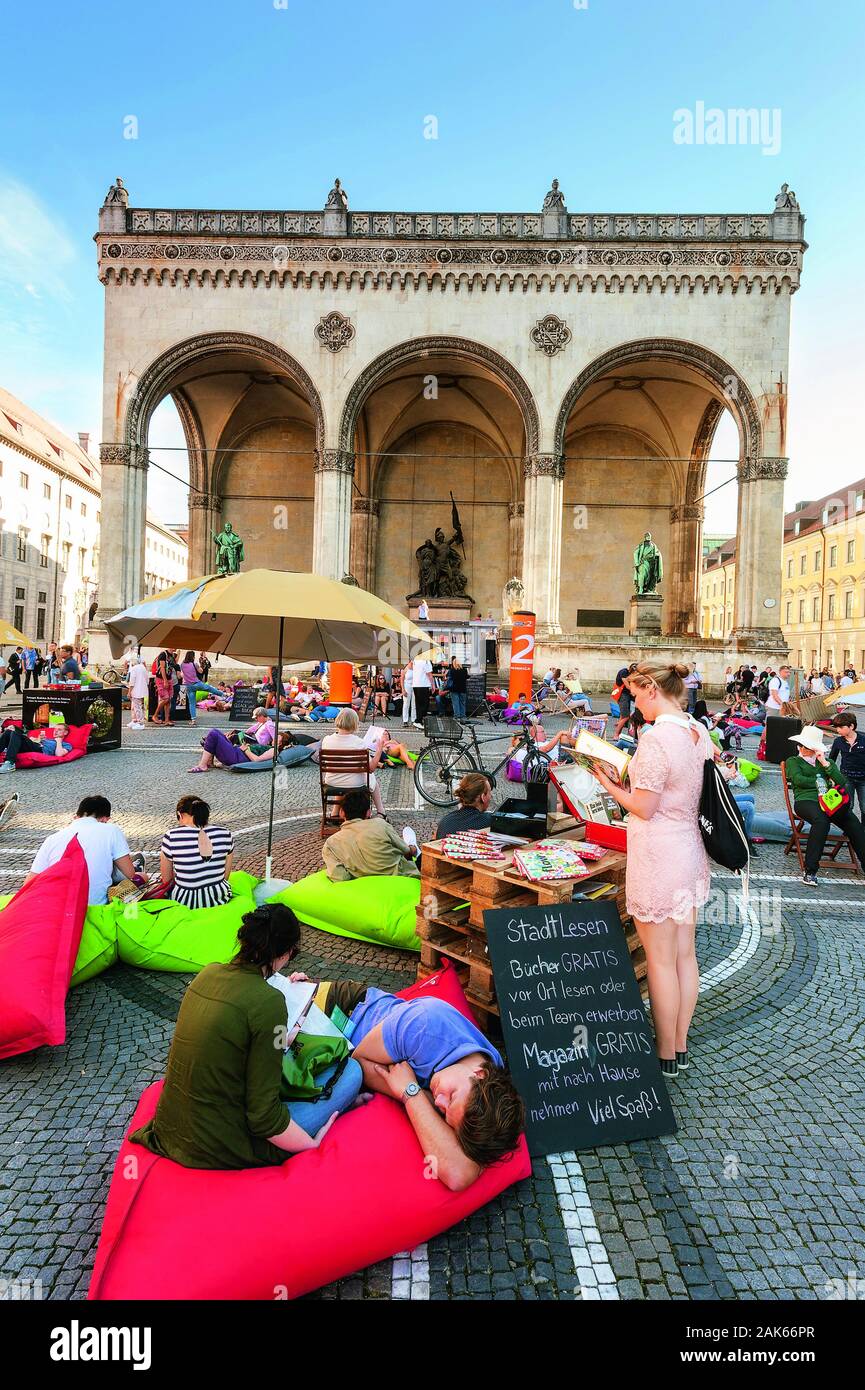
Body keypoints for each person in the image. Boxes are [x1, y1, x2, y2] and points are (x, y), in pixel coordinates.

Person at [131, 904, 363, 1168]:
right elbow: (264, 1117)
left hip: (173, 1126)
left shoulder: (207, 974)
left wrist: (281, 1037)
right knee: (352, 1072)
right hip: (223, 1142)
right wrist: (312, 1146)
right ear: (286, 953)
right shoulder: (270, 1003)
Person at [590, 661, 712, 1078]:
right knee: (684, 955)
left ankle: (664, 1053)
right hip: (689, 852)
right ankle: (679, 1043)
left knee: (659, 961)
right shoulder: (698, 731)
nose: (634, 703)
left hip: (660, 855)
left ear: (653, 690)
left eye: (638, 695)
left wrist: (607, 783)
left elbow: (643, 806)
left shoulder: (658, 738)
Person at [317, 974, 525, 1190]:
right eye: (451, 1095)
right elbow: (358, 1062)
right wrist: (411, 1091)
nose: (438, 1101)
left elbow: (458, 1174)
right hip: (340, 1010)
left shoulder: (489, 1077)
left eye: (444, 1114)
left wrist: (413, 1095)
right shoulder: (423, 1027)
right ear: (479, 1074)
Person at [785, 725, 865, 885]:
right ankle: (810, 870)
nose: (802, 749)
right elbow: (798, 780)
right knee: (821, 821)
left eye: (807, 747)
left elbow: (842, 782)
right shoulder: (793, 761)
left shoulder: (825, 761)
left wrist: (824, 763)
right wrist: (822, 780)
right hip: (806, 801)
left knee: (852, 821)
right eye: (802, 746)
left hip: (830, 802)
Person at [24, 794, 135, 905]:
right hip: (96, 906)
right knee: (141, 877)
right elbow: (130, 873)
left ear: (76, 816)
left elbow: (29, 884)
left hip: (58, 908)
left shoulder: (52, 839)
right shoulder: (111, 830)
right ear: (105, 819)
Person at [322, 788, 420, 882]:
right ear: (368, 813)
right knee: (410, 850)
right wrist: (411, 849)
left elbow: (340, 876)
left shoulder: (331, 843)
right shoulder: (380, 824)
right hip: (400, 878)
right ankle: (414, 846)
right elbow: (405, 850)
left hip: (364, 892)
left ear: (341, 812)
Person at [160, 795, 234, 908]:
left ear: (180, 815)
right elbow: (225, 876)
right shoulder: (225, 834)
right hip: (219, 897)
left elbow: (167, 880)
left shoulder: (171, 836)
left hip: (185, 901)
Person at [320, 707, 386, 815]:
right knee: (371, 777)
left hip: (332, 781)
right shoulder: (359, 743)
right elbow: (371, 769)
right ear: (355, 723)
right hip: (354, 783)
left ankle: (335, 812)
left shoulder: (327, 740)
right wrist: (379, 750)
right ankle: (381, 811)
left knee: (341, 771)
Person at [188, 727, 282, 773]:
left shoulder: (274, 750)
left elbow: (257, 759)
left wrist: (246, 750)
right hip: (237, 752)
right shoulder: (267, 746)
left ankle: (203, 765)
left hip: (237, 757)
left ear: (281, 744)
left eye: (277, 739)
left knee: (213, 733)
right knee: (218, 734)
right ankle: (209, 762)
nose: (274, 739)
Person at [829, 712, 865, 819]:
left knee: (864, 807)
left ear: (851, 726)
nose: (838, 730)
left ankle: (863, 831)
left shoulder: (863, 739)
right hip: (846, 778)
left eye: (841, 727)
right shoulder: (838, 741)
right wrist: (831, 775)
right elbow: (831, 759)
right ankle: (849, 831)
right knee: (848, 806)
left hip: (863, 780)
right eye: (836, 727)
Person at [436, 772, 493, 838]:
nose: (491, 796)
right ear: (483, 797)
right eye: (489, 792)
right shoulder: (489, 821)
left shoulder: (445, 821)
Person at [0, 721, 74, 772]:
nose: (56, 731)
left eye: (59, 730)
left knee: (16, 733)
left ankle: (10, 763)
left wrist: (58, 741)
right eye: (55, 729)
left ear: (65, 732)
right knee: (8, 732)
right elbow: (31, 741)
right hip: (33, 745)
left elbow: (59, 754)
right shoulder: (49, 739)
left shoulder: (66, 744)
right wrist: (39, 739)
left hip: (40, 750)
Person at [179, 651, 226, 724]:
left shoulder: (182, 665)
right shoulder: (194, 664)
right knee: (209, 688)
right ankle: (223, 694)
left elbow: (181, 674)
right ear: (193, 657)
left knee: (192, 703)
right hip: (197, 683)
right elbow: (201, 671)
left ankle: (193, 720)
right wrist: (201, 665)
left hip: (188, 686)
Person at [612, 662, 637, 740]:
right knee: (626, 717)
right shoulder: (624, 672)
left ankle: (619, 725)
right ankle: (616, 735)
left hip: (627, 695)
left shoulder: (630, 673)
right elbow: (627, 686)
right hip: (622, 695)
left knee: (624, 715)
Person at [126, 652, 149, 729]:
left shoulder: (134, 668)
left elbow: (132, 682)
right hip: (143, 689)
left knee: (137, 706)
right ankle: (135, 721)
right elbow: (147, 680)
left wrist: (129, 692)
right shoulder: (143, 667)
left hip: (136, 690)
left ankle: (140, 722)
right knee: (136, 706)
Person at [151, 650, 174, 725]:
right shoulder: (163, 654)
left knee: (168, 700)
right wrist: (165, 680)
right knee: (165, 698)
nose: (174, 649)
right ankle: (155, 715)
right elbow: (162, 668)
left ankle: (167, 720)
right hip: (161, 679)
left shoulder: (172, 655)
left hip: (169, 678)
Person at [411, 654, 433, 726]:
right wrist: (433, 685)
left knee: (418, 703)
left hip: (415, 684)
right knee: (425, 704)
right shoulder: (426, 661)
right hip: (423, 684)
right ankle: (419, 721)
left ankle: (418, 720)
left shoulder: (415, 660)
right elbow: (429, 674)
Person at [400, 659, 416, 728]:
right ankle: (405, 720)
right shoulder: (405, 668)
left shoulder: (416, 668)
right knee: (406, 703)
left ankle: (413, 720)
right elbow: (402, 679)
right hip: (407, 686)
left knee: (414, 704)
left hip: (415, 686)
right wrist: (403, 689)